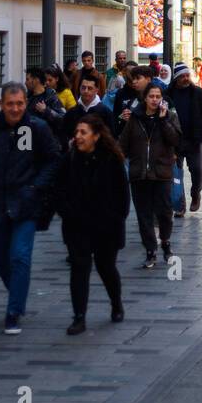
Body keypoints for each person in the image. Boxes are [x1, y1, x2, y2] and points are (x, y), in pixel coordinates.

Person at [0, 82, 63, 335]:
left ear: (26, 103)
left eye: (20, 103)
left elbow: (53, 160)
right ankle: (17, 294)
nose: (15, 108)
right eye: (10, 104)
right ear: (1, 104)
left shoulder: (36, 128)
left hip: (26, 204)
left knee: (20, 256)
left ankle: (13, 311)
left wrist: (36, 187)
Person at [56, 116, 129, 335]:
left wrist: (116, 220)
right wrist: (66, 212)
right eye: (76, 132)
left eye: (83, 132)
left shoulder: (111, 160)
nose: (78, 136)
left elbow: (122, 197)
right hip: (77, 226)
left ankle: (116, 303)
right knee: (79, 269)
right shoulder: (69, 160)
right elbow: (58, 190)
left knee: (106, 268)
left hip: (106, 227)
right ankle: (79, 317)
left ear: (96, 136)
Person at [119, 83, 181, 269]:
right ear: (145, 98)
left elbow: (175, 140)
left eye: (158, 96)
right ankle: (150, 250)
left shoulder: (170, 116)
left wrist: (163, 121)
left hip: (162, 173)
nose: (155, 100)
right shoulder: (134, 119)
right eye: (151, 96)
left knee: (164, 212)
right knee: (143, 215)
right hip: (139, 175)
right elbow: (123, 144)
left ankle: (165, 241)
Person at [166, 62, 202, 214]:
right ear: (176, 78)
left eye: (187, 75)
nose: (186, 78)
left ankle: (195, 193)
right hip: (175, 141)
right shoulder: (168, 94)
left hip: (194, 139)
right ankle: (180, 204)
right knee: (176, 173)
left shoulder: (198, 93)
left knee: (197, 169)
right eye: (182, 76)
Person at [62, 75, 116, 144]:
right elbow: (64, 135)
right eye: (83, 88)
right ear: (79, 88)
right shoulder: (71, 113)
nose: (86, 91)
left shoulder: (105, 113)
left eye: (90, 88)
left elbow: (112, 139)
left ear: (96, 90)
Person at [24, 67, 66, 138]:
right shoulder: (27, 98)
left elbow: (63, 118)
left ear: (36, 80)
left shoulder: (50, 97)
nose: (25, 83)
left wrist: (46, 110)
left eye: (27, 79)